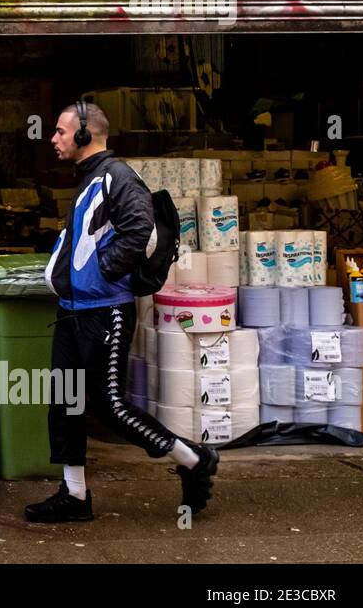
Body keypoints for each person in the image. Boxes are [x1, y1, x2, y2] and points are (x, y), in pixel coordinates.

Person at [24, 100, 220, 522]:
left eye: (60, 131)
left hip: (104, 312)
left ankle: (193, 459)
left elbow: (140, 230)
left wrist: (103, 272)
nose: (53, 139)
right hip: (72, 312)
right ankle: (74, 496)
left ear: (83, 135)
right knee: (65, 401)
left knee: (111, 406)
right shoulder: (88, 178)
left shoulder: (117, 176)